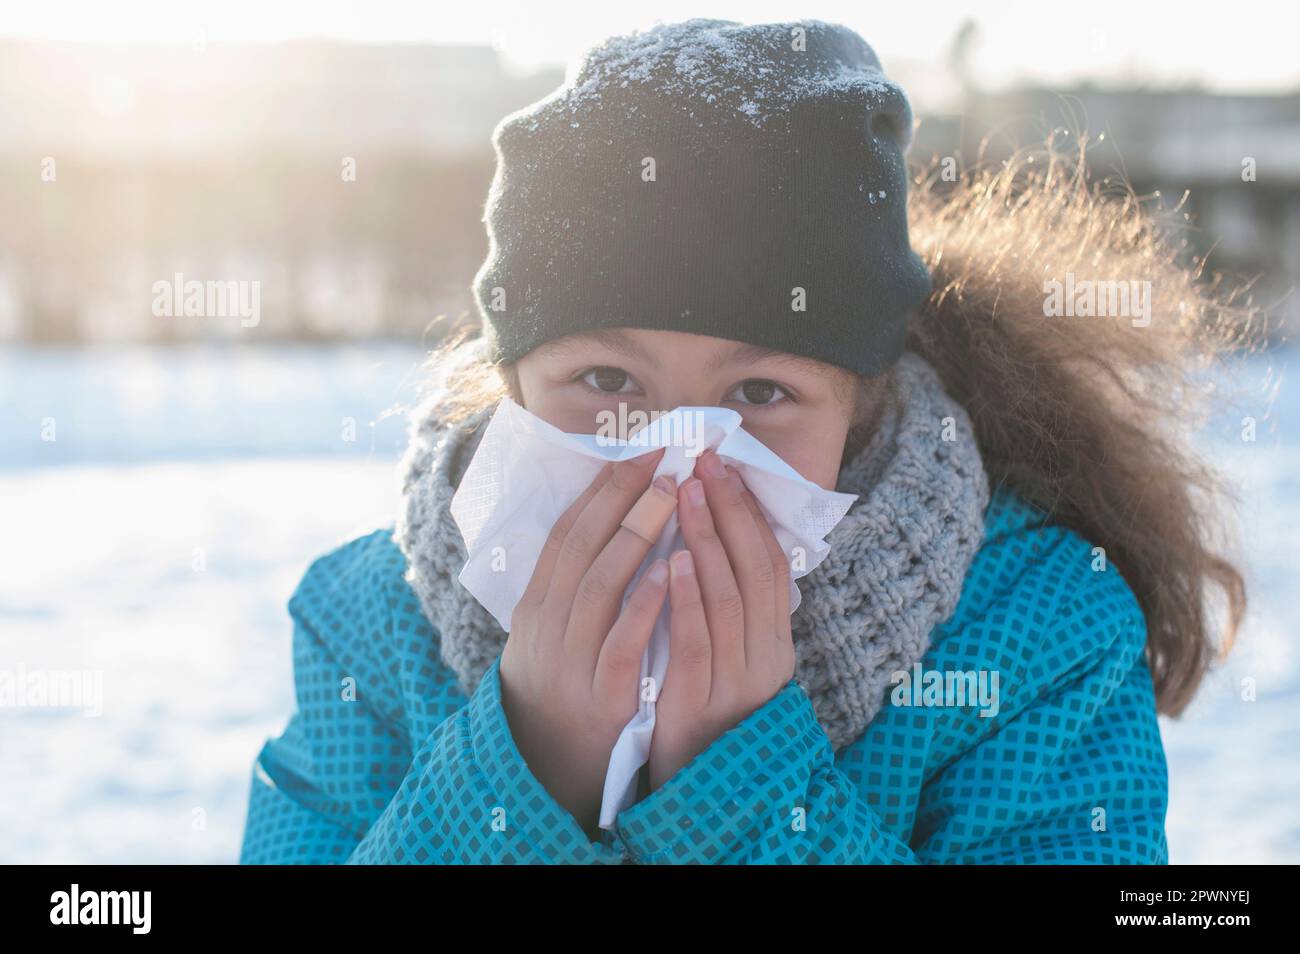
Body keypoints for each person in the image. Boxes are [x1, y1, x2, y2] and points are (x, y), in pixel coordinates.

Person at [239, 18, 1254, 864]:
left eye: (761, 390)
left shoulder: (1038, 634)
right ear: (511, 382)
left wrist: (742, 789)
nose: (677, 458)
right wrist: (527, 760)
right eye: (606, 381)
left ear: (862, 402)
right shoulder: (371, 624)